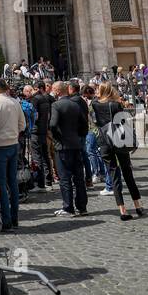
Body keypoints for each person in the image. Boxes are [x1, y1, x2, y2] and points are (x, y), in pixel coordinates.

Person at [94, 84, 143, 220]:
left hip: (104, 141)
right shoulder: (116, 105)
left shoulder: (95, 104)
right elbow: (123, 121)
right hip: (119, 140)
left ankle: (122, 210)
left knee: (113, 174)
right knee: (127, 173)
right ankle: (137, 205)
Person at [0, 77, 26, 230]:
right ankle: (15, 218)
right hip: (13, 145)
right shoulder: (15, 102)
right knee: (13, 182)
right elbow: (23, 124)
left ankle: (6, 220)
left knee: (1, 183)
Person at [49, 81, 88, 216]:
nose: (52, 91)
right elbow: (84, 124)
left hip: (63, 145)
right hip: (76, 144)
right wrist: (79, 136)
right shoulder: (75, 104)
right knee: (78, 177)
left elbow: (53, 124)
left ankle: (68, 207)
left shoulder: (56, 105)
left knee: (65, 177)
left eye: (53, 89)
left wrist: (57, 138)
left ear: (58, 91)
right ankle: (82, 207)